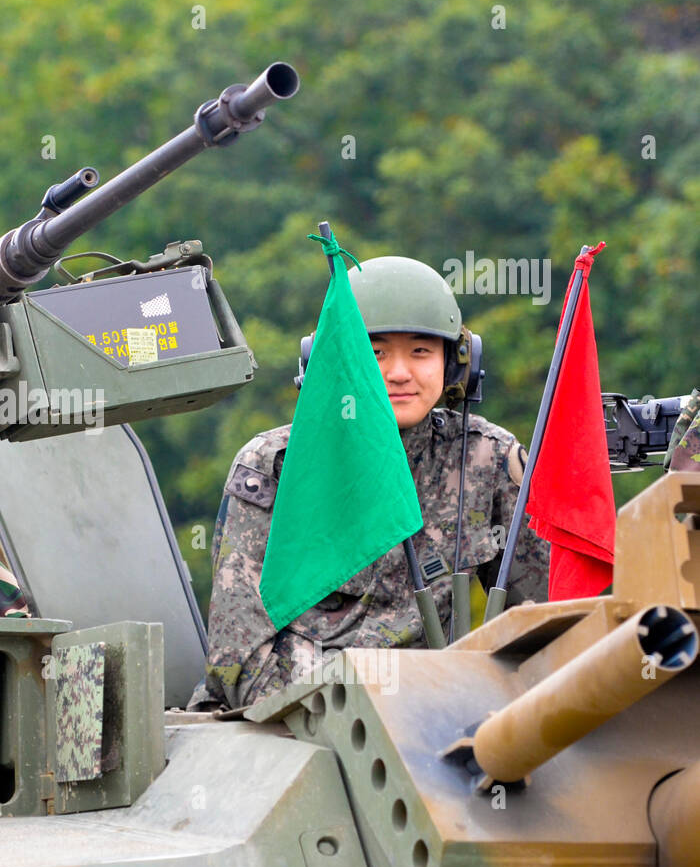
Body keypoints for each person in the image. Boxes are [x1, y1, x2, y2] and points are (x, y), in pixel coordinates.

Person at [189, 256, 549, 711]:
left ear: (457, 365)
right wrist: (354, 718)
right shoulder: (275, 466)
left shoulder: (486, 459)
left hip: (436, 719)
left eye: (421, 351)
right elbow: (239, 656)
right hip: (288, 723)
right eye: (375, 353)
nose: (399, 372)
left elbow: (546, 624)